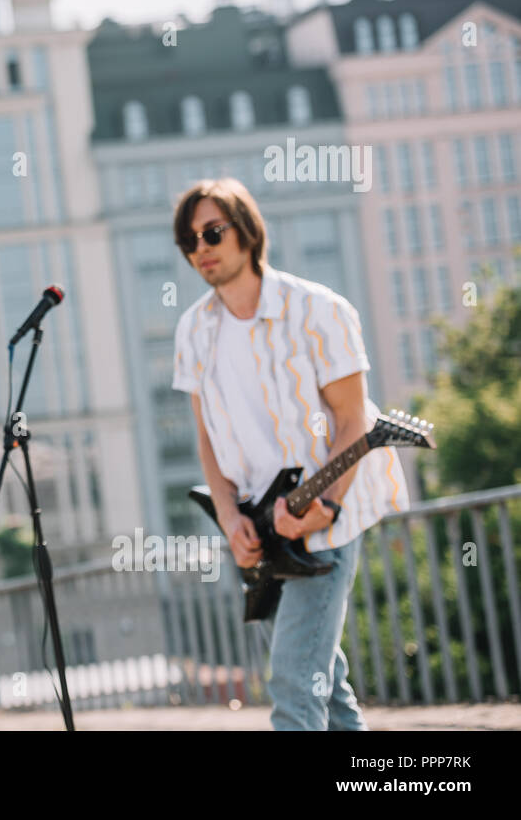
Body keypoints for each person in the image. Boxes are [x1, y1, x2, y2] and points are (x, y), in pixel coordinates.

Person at [170, 178, 410, 730]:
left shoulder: (318, 310)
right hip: (261, 525)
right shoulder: (193, 332)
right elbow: (207, 438)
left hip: (327, 518)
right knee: (326, 693)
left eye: (212, 232)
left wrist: (323, 504)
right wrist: (231, 520)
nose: (200, 248)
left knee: (293, 684)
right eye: (189, 240)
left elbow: (354, 420)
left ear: (248, 232)